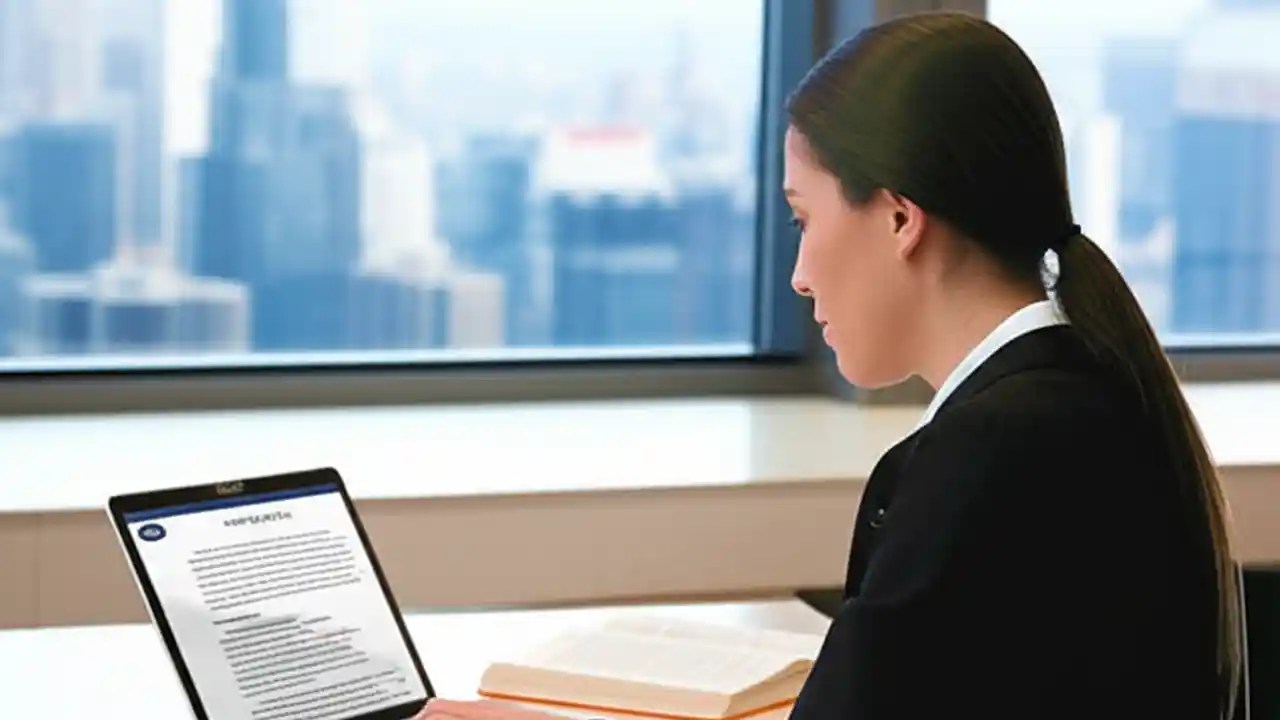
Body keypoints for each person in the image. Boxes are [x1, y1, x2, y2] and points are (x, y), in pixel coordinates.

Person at [418, 11, 1240, 720]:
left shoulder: (996, 450)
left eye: (803, 219)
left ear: (897, 217)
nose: (799, 273)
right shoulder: (1082, 396)